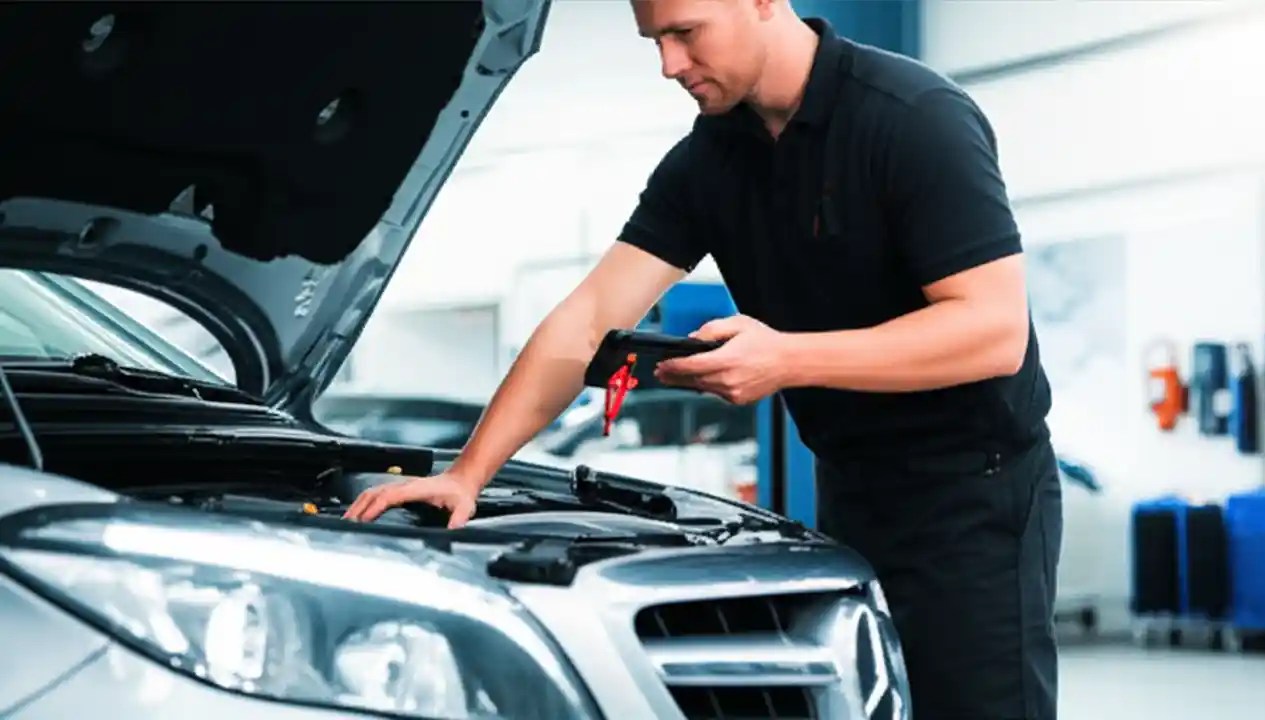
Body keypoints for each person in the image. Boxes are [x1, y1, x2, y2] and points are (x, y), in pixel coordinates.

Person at [345, 1, 1061, 718]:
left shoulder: (914, 118)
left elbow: (992, 333)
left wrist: (786, 360)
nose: (669, 65)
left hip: (976, 497)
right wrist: (470, 473)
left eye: (685, 34)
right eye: (655, 40)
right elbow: (588, 320)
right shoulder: (709, 162)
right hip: (853, 486)